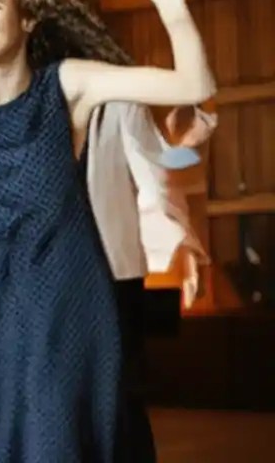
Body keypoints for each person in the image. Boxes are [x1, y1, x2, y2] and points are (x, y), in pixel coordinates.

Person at [0, 0, 215, 462]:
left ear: (28, 21)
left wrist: (172, 11)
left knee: (75, 419)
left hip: (81, 273)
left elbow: (178, 120)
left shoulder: (78, 84)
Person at [87, 99, 214, 463]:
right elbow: (158, 176)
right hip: (112, 264)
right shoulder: (118, 104)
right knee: (119, 395)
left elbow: (162, 172)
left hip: (92, 266)